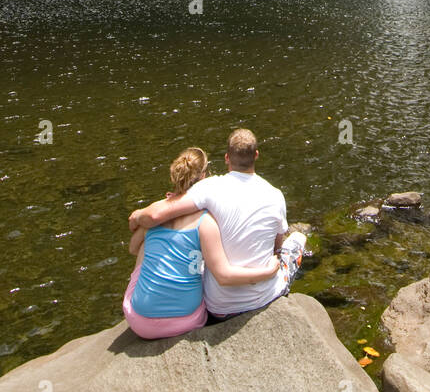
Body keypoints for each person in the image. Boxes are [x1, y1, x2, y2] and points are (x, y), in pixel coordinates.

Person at [128, 128, 306, 323]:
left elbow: (156, 215)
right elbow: (276, 247)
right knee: (297, 239)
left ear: (227, 158)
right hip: (265, 295)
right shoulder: (275, 195)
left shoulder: (208, 188)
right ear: (256, 155)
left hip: (219, 308)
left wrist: (137, 216)